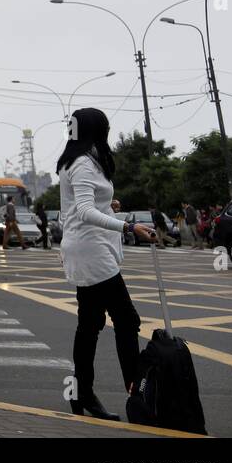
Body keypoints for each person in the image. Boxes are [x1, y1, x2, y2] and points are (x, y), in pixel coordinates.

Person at [58, 107, 157, 422]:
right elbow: (85, 211)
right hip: (92, 252)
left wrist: (108, 205)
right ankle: (136, 395)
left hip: (87, 250)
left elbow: (76, 208)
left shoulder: (74, 161)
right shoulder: (85, 164)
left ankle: (81, 393)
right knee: (126, 321)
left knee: (89, 326)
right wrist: (128, 226)